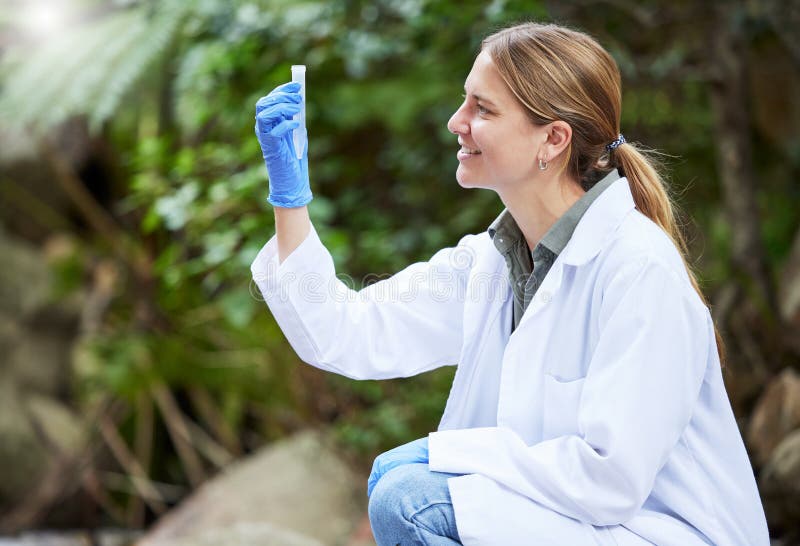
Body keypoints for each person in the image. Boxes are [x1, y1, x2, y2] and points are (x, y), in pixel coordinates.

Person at [251, 21, 769, 546]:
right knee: (397, 483)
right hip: (576, 525)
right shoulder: (490, 263)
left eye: (483, 109)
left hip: (658, 531)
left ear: (553, 138)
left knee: (410, 500)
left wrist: (447, 453)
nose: (457, 122)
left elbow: (611, 479)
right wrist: (290, 200)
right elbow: (348, 334)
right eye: (464, 101)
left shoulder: (639, 270)